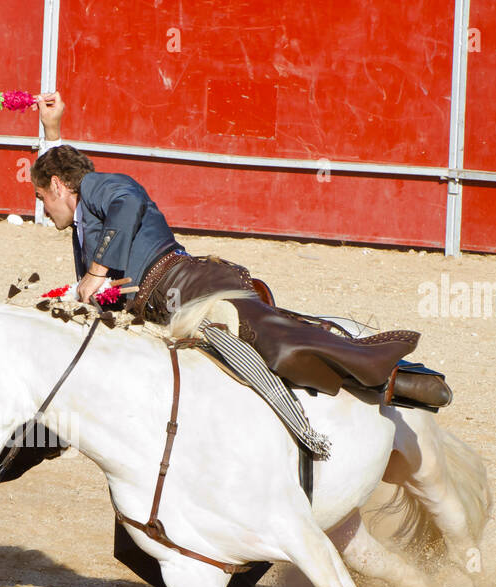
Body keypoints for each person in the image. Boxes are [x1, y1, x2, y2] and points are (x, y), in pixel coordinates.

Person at [28, 92, 452, 414]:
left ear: (61, 188)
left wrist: (96, 271)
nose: (44, 212)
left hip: (181, 281)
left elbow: (129, 201)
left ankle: (392, 377)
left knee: (261, 337)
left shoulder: (97, 188)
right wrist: (52, 132)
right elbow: (56, 171)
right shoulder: (78, 200)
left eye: (42, 199)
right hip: (152, 307)